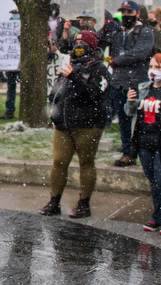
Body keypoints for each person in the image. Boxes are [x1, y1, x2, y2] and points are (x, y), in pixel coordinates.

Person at [40, 30, 110, 219]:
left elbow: (94, 94)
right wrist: (53, 110)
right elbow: (56, 91)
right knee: (59, 162)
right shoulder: (69, 65)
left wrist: (74, 78)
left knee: (86, 163)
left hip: (88, 124)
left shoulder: (99, 69)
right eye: (76, 43)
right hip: (64, 124)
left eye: (83, 44)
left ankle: (83, 203)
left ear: (92, 47)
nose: (79, 47)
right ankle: (54, 201)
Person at [126, 53, 161, 235]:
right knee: (154, 182)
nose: (153, 71)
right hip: (144, 142)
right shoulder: (143, 88)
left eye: (158, 67)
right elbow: (129, 112)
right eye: (151, 67)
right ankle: (157, 216)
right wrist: (131, 101)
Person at [108, 0, 155, 166]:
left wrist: (119, 59)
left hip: (136, 83)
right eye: (124, 13)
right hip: (118, 83)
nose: (126, 16)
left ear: (137, 14)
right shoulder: (118, 34)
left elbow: (140, 53)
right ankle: (127, 152)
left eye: (130, 13)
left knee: (138, 121)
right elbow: (108, 51)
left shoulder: (145, 32)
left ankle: (139, 152)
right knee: (123, 120)